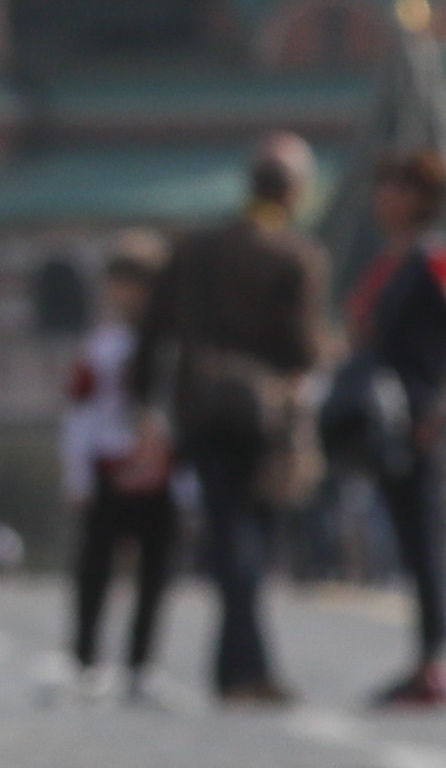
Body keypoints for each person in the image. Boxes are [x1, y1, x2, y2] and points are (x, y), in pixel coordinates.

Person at [141, 136, 327, 710]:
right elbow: (302, 348)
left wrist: (143, 402)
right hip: (263, 417)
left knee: (228, 537)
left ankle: (236, 670)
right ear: (293, 192)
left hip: (201, 408)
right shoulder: (295, 255)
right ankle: (247, 670)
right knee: (251, 545)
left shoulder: (197, 248)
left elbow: (155, 328)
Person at [341, 148, 446, 711]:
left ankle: (436, 661)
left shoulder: (435, 263)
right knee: (409, 540)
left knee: (428, 541)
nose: (382, 200)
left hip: (420, 420)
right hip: (389, 420)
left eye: (395, 189)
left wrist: (443, 410)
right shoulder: (393, 259)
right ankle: (426, 655)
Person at [58, 235, 179, 702]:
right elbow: (79, 414)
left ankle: (141, 662)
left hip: (159, 469)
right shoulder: (102, 348)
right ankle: (87, 657)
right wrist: (77, 475)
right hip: (109, 466)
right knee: (95, 567)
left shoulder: (173, 347)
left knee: (156, 572)